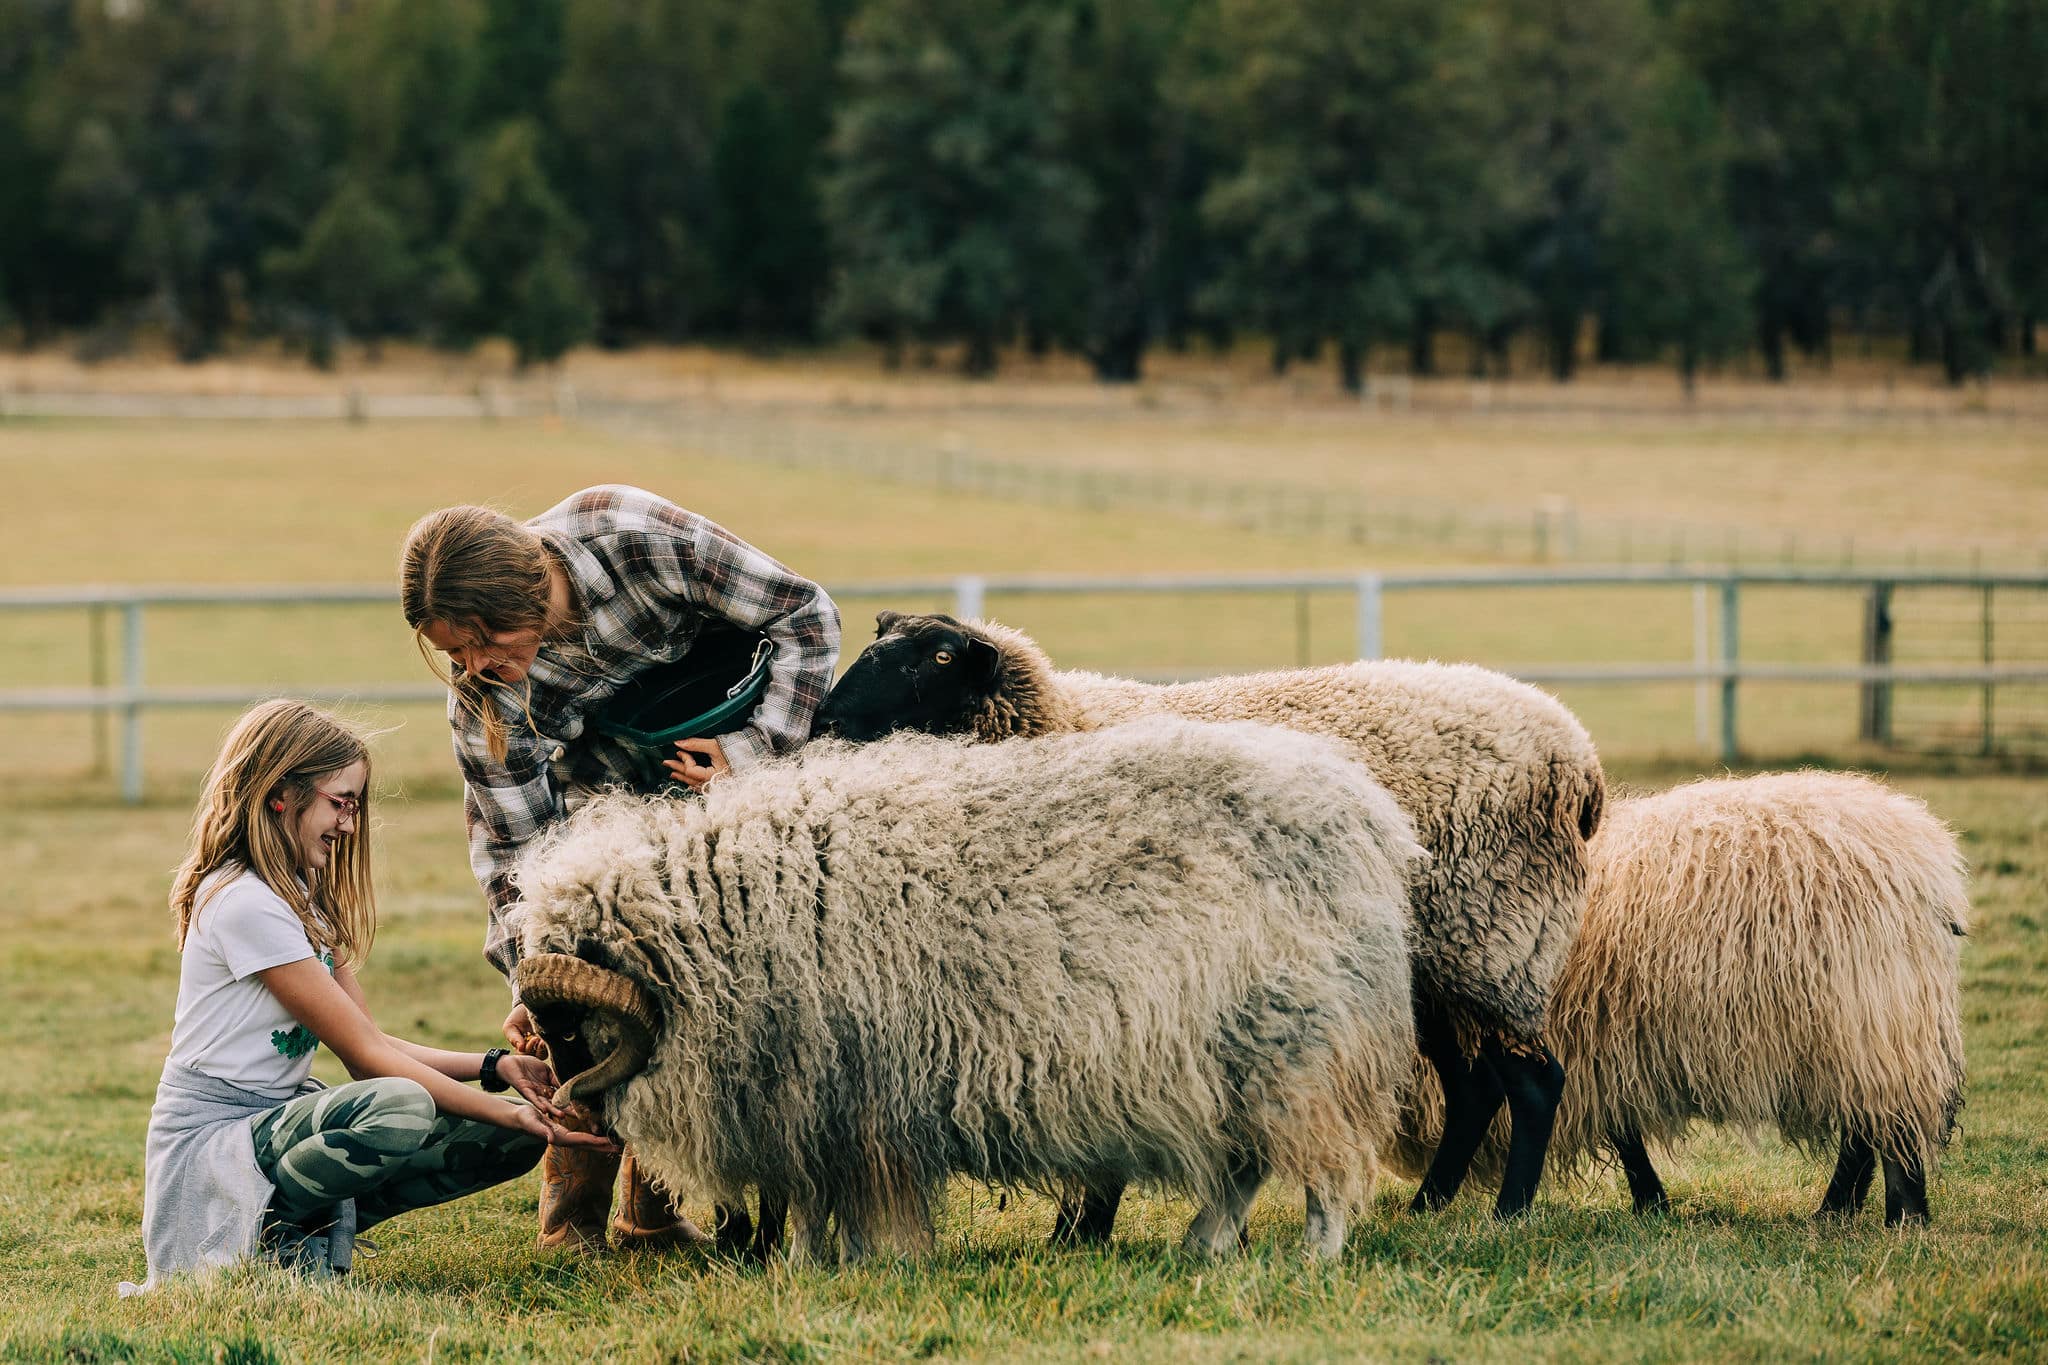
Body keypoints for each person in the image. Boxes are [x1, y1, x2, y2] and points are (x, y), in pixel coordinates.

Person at [399, 484, 840, 1250]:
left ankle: (655, 1209)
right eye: (453, 652)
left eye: (487, 638)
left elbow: (805, 614)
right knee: (586, 996)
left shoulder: (631, 534)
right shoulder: (483, 699)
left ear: (530, 585)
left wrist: (753, 752)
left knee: (720, 991)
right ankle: (569, 1221)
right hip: (598, 809)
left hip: (728, 764)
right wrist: (534, 984)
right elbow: (513, 850)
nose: (474, 665)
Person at [125, 700, 614, 1293]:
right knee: (401, 1106)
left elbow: (372, 1040)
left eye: (355, 806)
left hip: (273, 1121)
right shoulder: (243, 902)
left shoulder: (297, 897)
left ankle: (301, 1232)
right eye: (341, 802)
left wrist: (496, 1068)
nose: (351, 825)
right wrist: (504, 1104)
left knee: (509, 1137)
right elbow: (366, 1061)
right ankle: (273, 1241)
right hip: (212, 1150)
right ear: (281, 793)